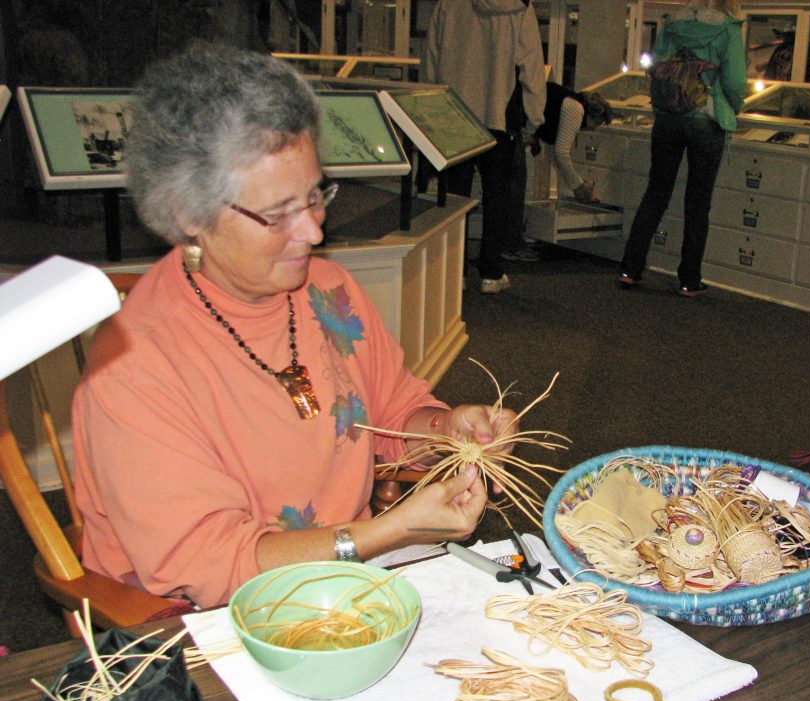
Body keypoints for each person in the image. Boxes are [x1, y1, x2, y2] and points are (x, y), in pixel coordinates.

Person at [71, 43, 518, 610]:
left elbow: (392, 413)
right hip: (195, 619)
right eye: (277, 213)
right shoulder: (135, 364)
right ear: (190, 215)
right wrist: (383, 534)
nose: (312, 231)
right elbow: (208, 563)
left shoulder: (327, 291)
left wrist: (447, 431)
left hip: (343, 582)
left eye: (314, 196)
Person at [618, 0, 746, 297]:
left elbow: (655, 66)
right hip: (706, 118)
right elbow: (735, 80)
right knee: (698, 201)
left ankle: (630, 268)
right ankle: (689, 279)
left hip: (668, 117)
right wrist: (733, 107)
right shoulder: (728, 28)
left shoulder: (672, 22)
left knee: (656, 193)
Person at [423, 0, 545, 294]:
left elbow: (431, 58)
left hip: (455, 114)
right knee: (497, 196)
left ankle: (455, 271)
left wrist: (431, 109)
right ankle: (491, 272)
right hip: (498, 114)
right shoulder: (519, 6)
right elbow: (531, 65)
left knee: (455, 198)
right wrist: (534, 118)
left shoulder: (448, 4)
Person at [501, 85, 615, 263]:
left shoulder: (569, 101)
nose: (592, 129)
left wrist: (575, 181)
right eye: (596, 124)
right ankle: (512, 245)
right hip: (514, 129)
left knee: (510, 190)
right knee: (515, 191)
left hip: (512, 123)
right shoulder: (576, 109)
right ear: (594, 115)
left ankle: (506, 243)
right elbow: (561, 153)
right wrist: (578, 185)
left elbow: (556, 153)